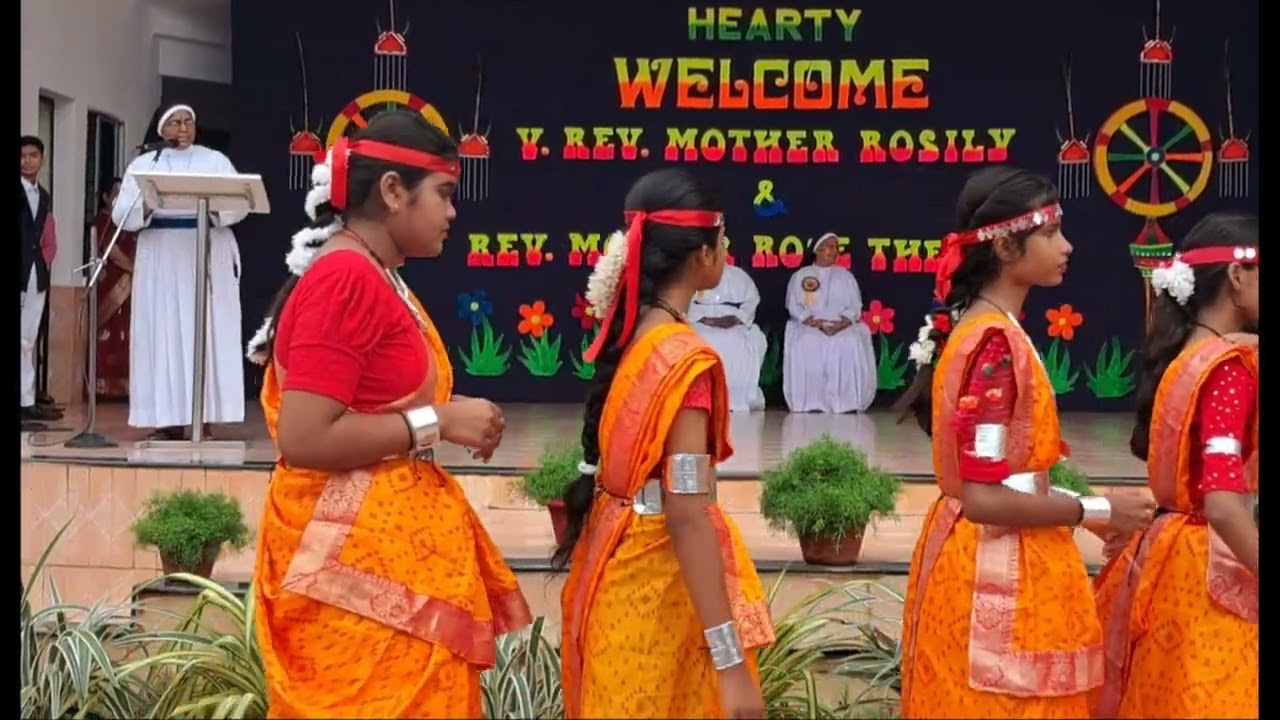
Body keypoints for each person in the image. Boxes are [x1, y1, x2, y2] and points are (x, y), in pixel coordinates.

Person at [246, 110, 530, 718]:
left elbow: (372, 401)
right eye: (444, 194)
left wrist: (443, 414)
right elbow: (304, 437)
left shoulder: (375, 271)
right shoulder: (345, 277)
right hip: (352, 581)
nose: (453, 212)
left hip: (386, 565)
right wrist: (438, 422)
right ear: (394, 190)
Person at [891, 167, 1156, 719]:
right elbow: (984, 497)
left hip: (986, 553)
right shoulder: (993, 344)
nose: (1067, 246)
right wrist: (1096, 509)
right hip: (998, 567)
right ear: (1006, 247)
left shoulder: (986, 329)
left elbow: (1000, 480)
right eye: (1051, 232)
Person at [556, 168, 774, 719]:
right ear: (704, 255)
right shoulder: (684, 360)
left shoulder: (636, 336)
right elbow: (686, 513)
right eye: (724, 239)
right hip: (661, 596)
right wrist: (730, 664)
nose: (727, 250)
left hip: (617, 575)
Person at [1091, 213, 1258, 719]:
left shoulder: (1187, 358)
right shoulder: (1228, 370)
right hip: (1210, 568)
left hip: (1167, 558)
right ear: (1237, 276)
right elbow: (1223, 504)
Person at [111, 103, 245, 440]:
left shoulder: (215, 160)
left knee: (207, 330)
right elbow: (122, 214)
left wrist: (214, 208)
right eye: (175, 122)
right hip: (161, 254)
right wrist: (147, 203)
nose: (183, 129)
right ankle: (165, 420)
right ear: (162, 130)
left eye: (189, 122)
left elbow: (239, 202)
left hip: (206, 249)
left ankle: (205, 417)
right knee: (163, 331)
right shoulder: (145, 163)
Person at [782, 233, 877, 413]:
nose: (835, 251)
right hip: (810, 325)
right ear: (818, 250)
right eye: (831, 247)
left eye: (836, 248)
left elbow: (855, 305)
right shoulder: (801, 275)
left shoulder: (846, 276)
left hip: (841, 325)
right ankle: (811, 402)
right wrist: (813, 321)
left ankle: (846, 402)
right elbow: (793, 305)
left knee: (849, 342)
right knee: (808, 342)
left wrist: (843, 323)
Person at [20, 135, 61, 429]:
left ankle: (26, 401)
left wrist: (45, 261)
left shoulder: (43, 195)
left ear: (42, 159)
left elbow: (47, 236)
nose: (27, 161)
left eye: (33, 155)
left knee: (27, 340)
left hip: (35, 274)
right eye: (22, 156)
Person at [688, 261, 767, 412]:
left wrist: (737, 319)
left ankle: (736, 398)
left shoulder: (739, 275)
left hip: (733, 320)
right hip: (700, 321)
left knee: (744, 341)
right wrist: (704, 319)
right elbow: (685, 302)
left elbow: (752, 300)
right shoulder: (695, 273)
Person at [89, 178, 135, 400]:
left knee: (125, 335)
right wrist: (134, 268)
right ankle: (102, 388)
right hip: (109, 288)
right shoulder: (102, 221)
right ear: (106, 197)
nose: (120, 198)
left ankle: (124, 388)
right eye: (116, 193)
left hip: (129, 288)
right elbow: (111, 250)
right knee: (106, 335)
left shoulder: (130, 223)